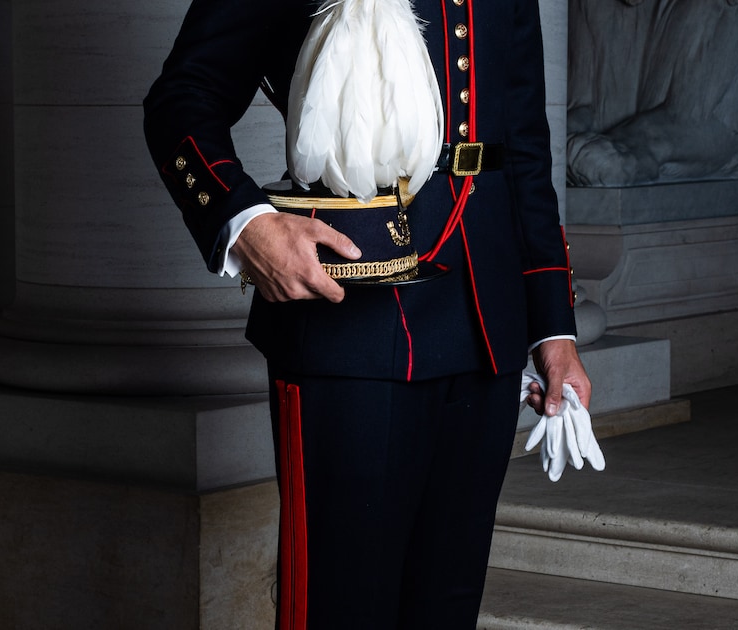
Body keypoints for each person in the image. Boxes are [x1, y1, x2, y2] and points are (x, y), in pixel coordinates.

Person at [143, 1, 591, 627]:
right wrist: (245, 224)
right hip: (349, 322)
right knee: (340, 605)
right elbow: (182, 99)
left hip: (485, 322)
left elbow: (520, 149)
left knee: (446, 605)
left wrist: (553, 326)